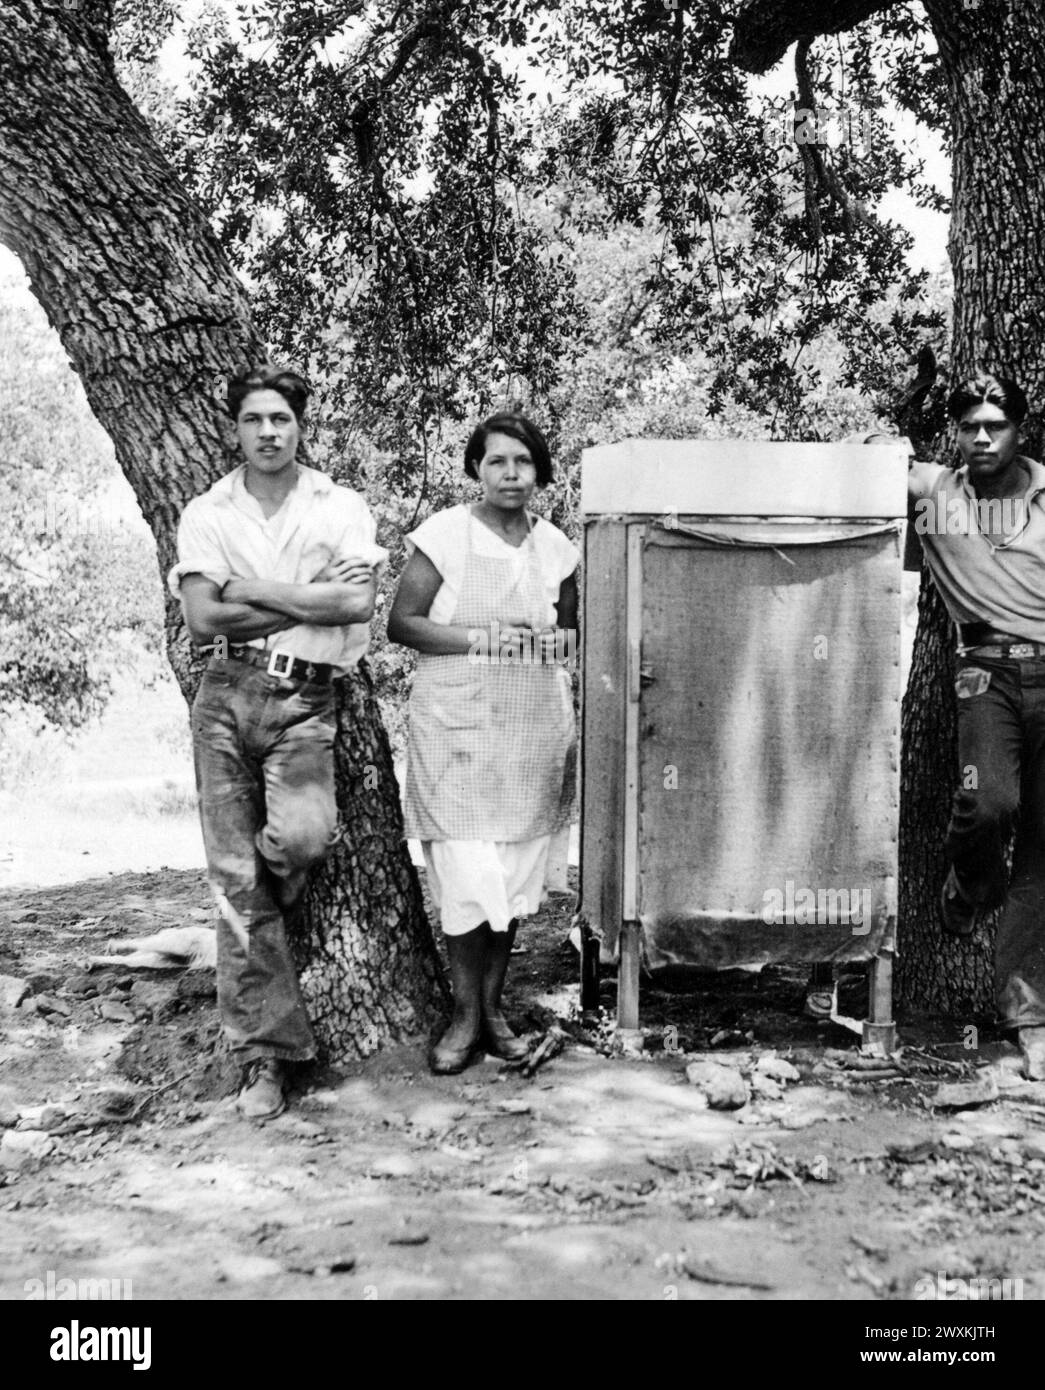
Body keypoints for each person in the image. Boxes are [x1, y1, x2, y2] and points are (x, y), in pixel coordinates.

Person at [168, 364, 384, 1119]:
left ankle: (270, 882)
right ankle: (266, 1058)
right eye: (254, 419)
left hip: (306, 698)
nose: (267, 432)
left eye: (281, 419)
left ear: (300, 426)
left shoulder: (340, 505)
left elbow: (357, 603)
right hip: (224, 696)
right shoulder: (208, 511)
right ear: (236, 428)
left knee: (303, 839)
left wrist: (251, 591)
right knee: (236, 889)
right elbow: (203, 621)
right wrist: (306, 601)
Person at [388, 412, 578, 1073]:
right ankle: (463, 1016)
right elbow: (402, 623)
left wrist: (546, 642)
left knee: (514, 880)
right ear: (476, 468)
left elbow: (572, 635)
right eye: (496, 461)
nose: (510, 474)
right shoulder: (444, 535)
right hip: (457, 729)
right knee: (468, 876)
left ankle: (494, 1011)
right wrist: (486, 639)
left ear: (538, 472)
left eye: (523, 463)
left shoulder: (554, 546)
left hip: (531, 731)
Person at [909, 372, 1045, 1078]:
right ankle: (970, 887)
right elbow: (870, 462)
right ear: (954, 435)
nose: (982, 437)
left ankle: (1027, 1018)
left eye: (995, 424)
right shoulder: (935, 492)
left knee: (1043, 855)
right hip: (984, 671)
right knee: (988, 802)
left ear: (1019, 428)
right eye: (969, 427)